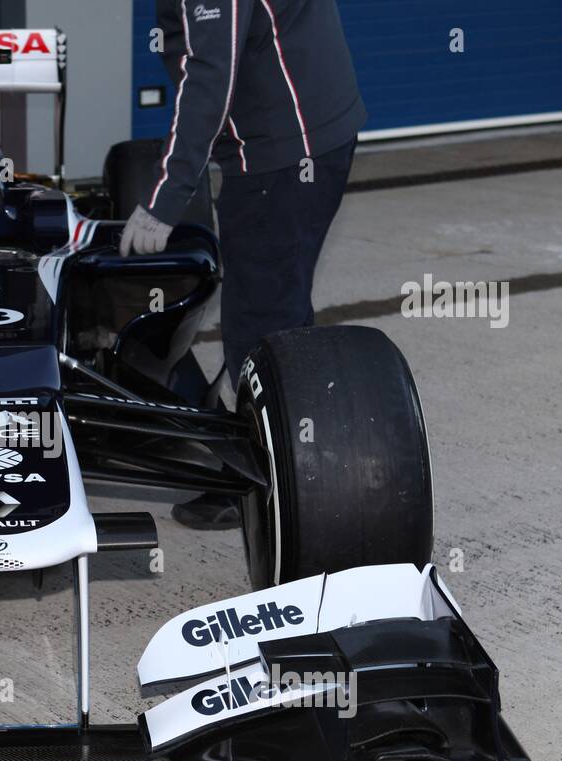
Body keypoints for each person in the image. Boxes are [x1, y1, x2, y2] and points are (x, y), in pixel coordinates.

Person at [119, 0, 366, 528]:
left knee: (258, 329)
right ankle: (303, 453)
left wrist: (166, 197)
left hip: (280, 156)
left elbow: (212, 69)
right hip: (318, 133)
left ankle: (261, 484)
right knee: (282, 301)